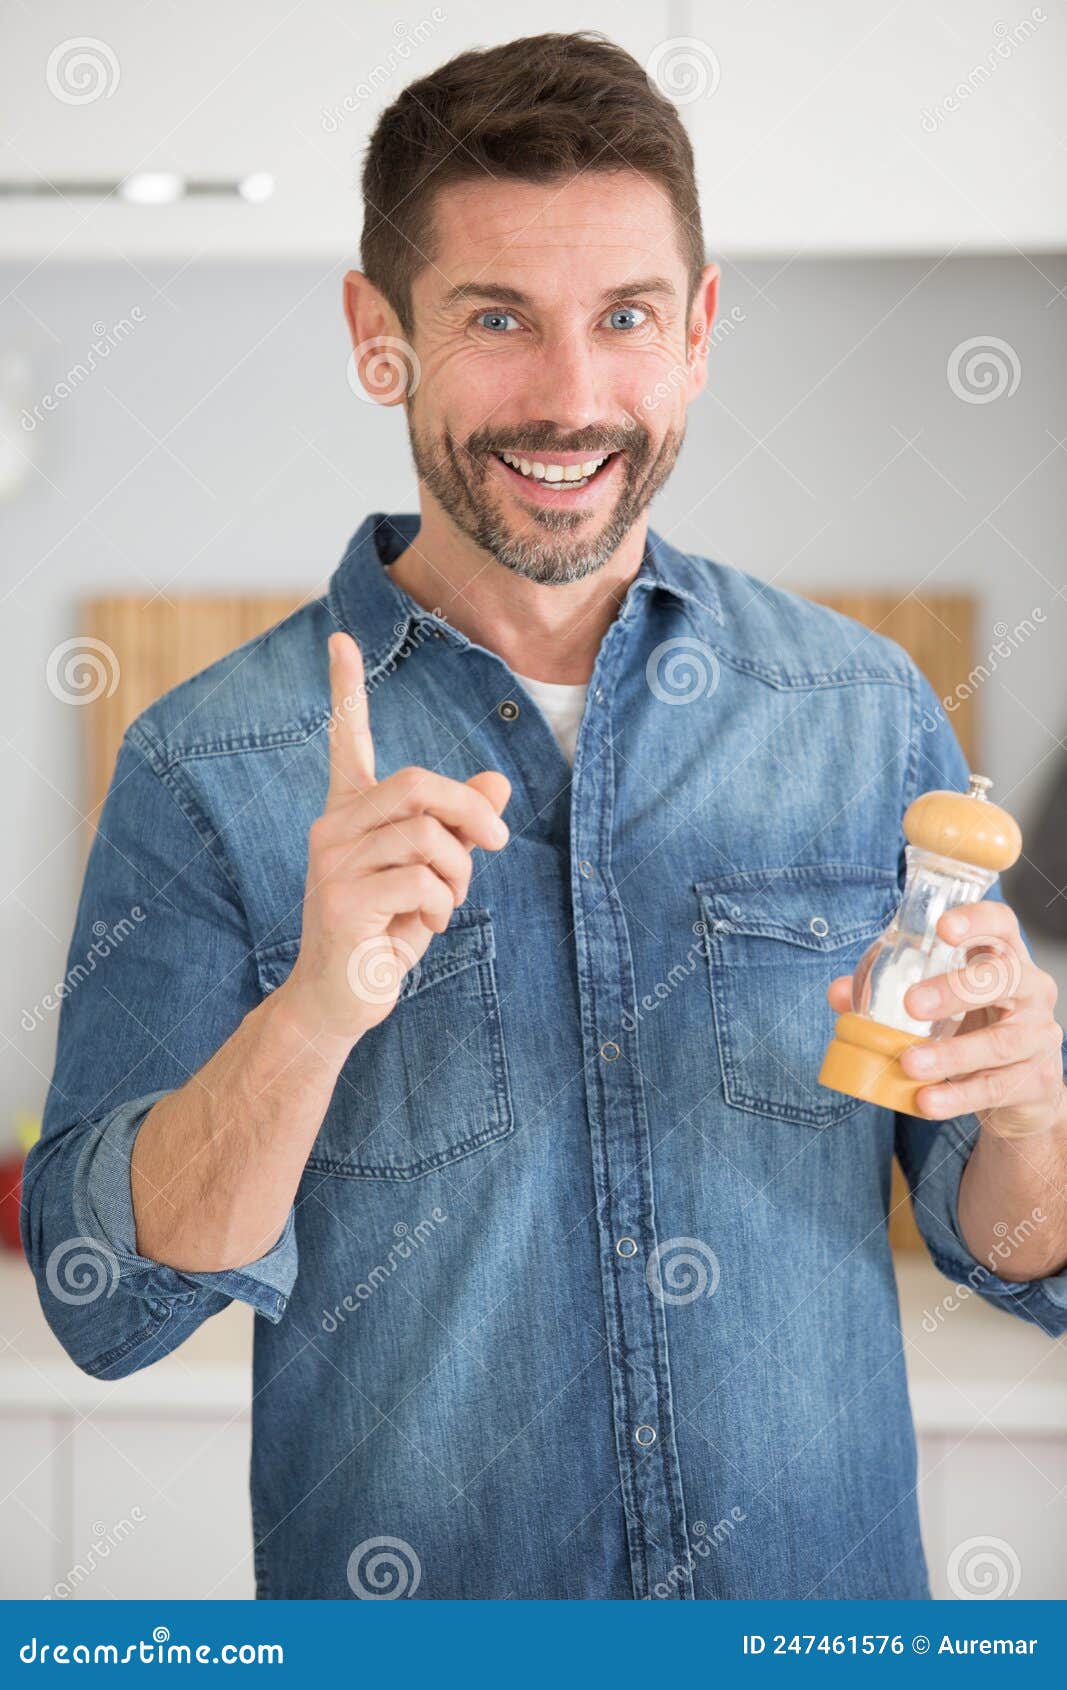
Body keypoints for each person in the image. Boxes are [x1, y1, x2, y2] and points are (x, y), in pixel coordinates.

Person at [23, 31, 1067, 1601]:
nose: (574, 399)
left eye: (627, 316)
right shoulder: (209, 759)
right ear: (382, 335)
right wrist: (313, 1014)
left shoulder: (865, 716)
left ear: (700, 327)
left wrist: (1035, 1110)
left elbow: (1013, 1245)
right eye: (498, 318)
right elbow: (103, 1301)